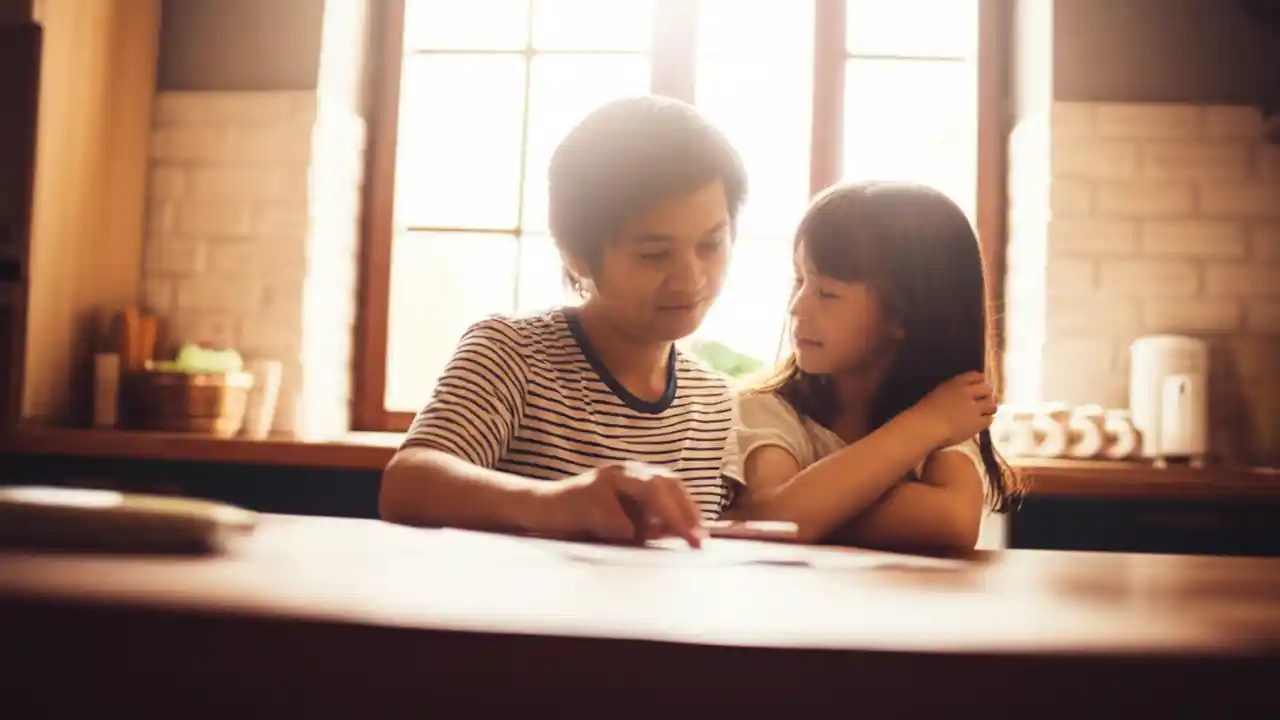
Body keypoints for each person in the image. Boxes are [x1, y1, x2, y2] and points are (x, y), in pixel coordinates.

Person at [380, 96, 749, 547]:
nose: (691, 277)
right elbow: (407, 483)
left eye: (711, 245)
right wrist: (556, 503)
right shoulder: (513, 353)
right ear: (576, 254)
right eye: (655, 255)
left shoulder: (716, 403)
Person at [725, 181, 1022, 552]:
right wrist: (924, 426)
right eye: (799, 281)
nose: (797, 307)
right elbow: (775, 519)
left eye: (828, 292)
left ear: (902, 315)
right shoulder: (767, 409)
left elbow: (952, 524)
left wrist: (811, 509)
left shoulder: (943, 418)